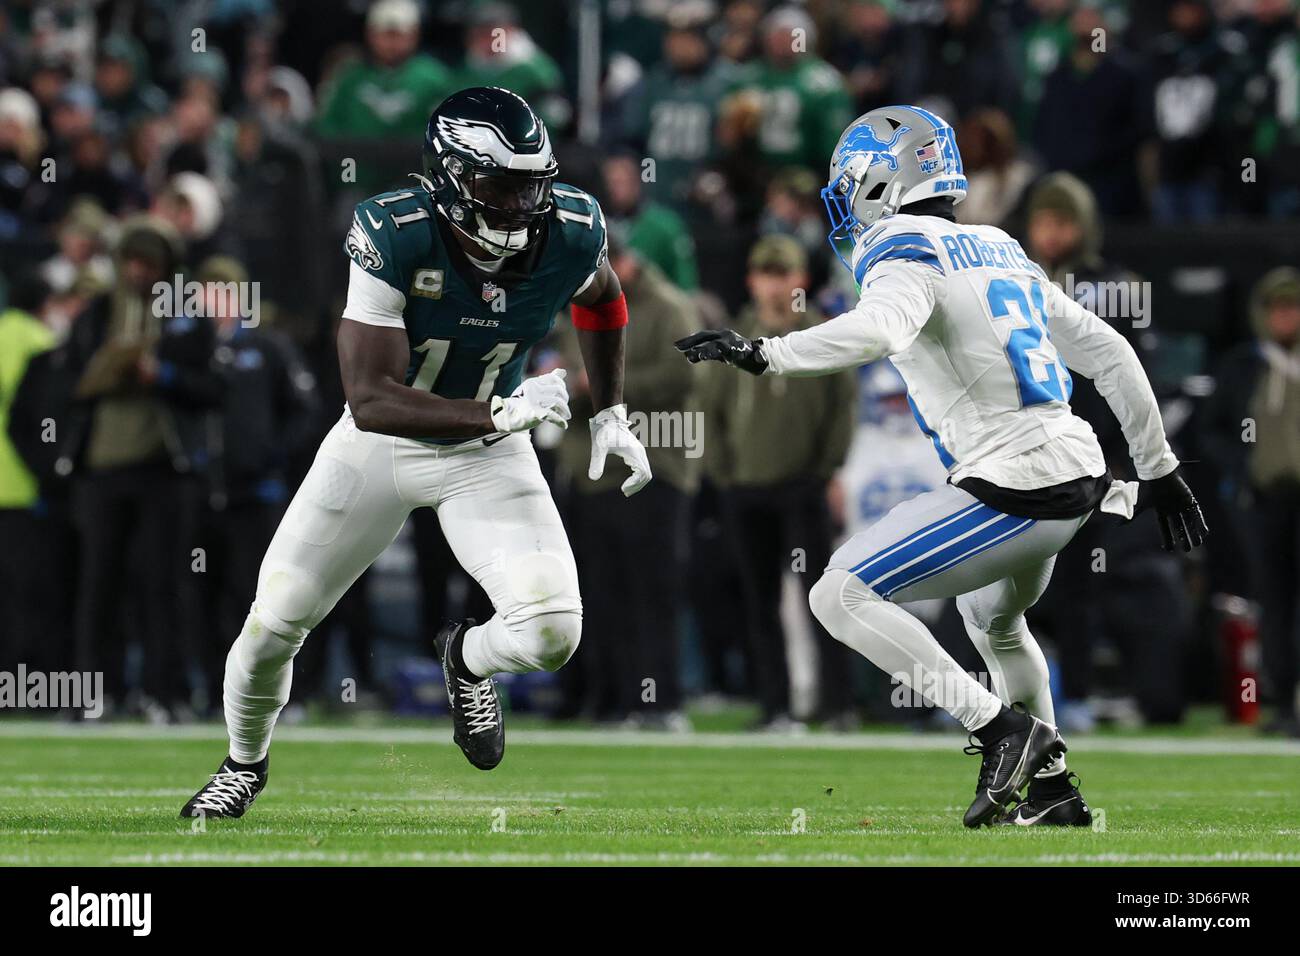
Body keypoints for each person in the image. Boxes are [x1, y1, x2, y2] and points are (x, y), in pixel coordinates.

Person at [677, 105, 1207, 827]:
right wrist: (1161, 468)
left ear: (880, 183)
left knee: (838, 594)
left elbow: (880, 328)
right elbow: (1109, 352)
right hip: (1075, 472)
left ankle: (998, 730)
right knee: (994, 622)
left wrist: (768, 352)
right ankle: (1053, 792)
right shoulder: (999, 245)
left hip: (1017, 482)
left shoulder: (897, 245)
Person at [181, 87, 652, 819]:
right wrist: (495, 409)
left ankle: (464, 660)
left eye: (535, 185)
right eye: (502, 187)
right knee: (273, 625)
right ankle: (244, 762)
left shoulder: (571, 226)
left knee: (554, 630)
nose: (524, 206)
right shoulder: (394, 230)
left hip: (489, 451)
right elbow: (370, 397)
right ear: (454, 177)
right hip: (384, 445)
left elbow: (603, 298)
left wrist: (613, 410)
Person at [697, 235, 856, 729]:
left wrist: (824, 470)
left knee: (824, 600)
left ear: (800, 280)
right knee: (759, 602)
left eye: (782, 274)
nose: (773, 285)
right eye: (765, 274)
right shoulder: (733, 338)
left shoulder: (822, 334)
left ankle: (837, 705)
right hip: (746, 488)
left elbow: (842, 409)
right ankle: (776, 707)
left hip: (802, 487)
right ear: (752, 280)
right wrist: (725, 475)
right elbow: (710, 411)